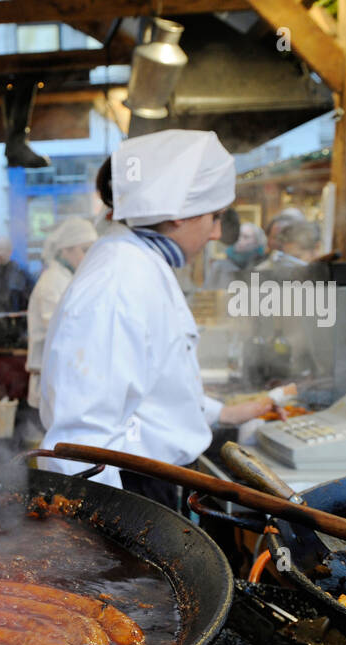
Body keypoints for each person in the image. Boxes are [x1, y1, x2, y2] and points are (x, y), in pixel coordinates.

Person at [37, 130, 275, 507]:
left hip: (146, 481)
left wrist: (222, 412)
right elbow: (81, 443)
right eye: (215, 217)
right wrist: (115, 542)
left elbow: (150, 387)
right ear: (179, 215)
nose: (216, 233)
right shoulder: (119, 280)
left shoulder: (138, 262)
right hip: (129, 490)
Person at [25, 217, 97, 405]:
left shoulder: (69, 278)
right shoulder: (52, 283)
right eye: (85, 250)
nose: (90, 257)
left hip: (67, 377)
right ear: (66, 250)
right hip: (54, 379)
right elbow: (62, 331)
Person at [203, 222, 268, 291]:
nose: (239, 240)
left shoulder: (263, 266)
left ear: (257, 242)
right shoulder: (220, 266)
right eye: (237, 236)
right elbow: (206, 292)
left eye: (246, 237)